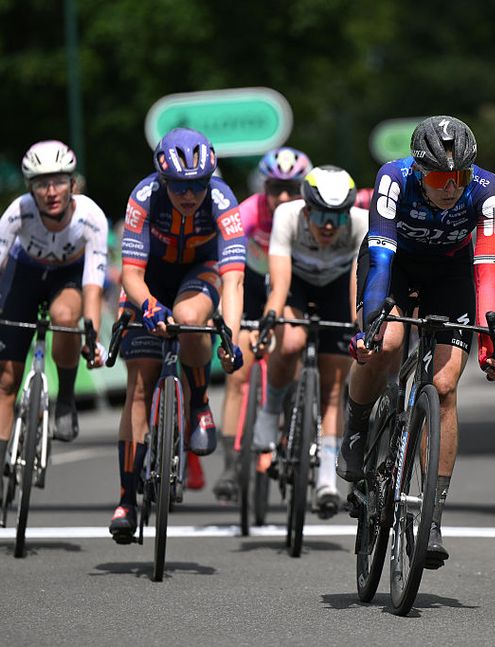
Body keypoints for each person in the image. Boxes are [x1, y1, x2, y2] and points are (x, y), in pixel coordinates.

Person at [342, 116, 495, 567]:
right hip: (393, 264)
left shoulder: (487, 189)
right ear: (419, 171)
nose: (450, 187)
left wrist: (491, 345)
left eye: (458, 177)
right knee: (391, 341)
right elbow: (379, 260)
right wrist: (370, 327)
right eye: (439, 177)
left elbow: (487, 274)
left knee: (446, 384)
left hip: (450, 274)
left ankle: (432, 518)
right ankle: (357, 428)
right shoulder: (393, 178)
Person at [109, 128, 245, 542]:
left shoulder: (222, 201)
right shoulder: (143, 197)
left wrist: (232, 341)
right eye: (180, 187)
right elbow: (130, 274)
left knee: (190, 317)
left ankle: (200, 403)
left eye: (198, 185)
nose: (190, 195)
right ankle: (126, 499)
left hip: (197, 275)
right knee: (139, 385)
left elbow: (234, 282)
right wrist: (147, 307)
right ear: (163, 180)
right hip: (147, 280)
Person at [0, 140, 109, 525]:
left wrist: (91, 333)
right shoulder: (18, 212)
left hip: (68, 279)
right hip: (23, 277)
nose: (51, 191)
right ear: (30, 187)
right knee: (5, 382)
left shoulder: (92, 218)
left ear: (72, 183)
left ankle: (64, 398)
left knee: (65, 316)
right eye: (41, 183)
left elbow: (94, 284)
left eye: (59, 181)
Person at [251, 165, 367, 517]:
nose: (329, 224)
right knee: (289, 343)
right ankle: (270, 412)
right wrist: (272, 317)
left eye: (337, 216)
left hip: (339, 285)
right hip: (296, 284)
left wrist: (358, 327)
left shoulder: (361, 224)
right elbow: (280, 280)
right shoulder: (287, 216)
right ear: (305, 209)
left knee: (334, 384)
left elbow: (358, 286)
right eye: (320, 214)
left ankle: (326, 478)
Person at [214, 146, 311, 502]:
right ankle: (230, 464)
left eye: (292, 188)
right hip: (253, 289)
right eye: (275, 188)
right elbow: (227, 266)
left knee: (290, 352)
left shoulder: (309, 214)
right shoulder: (248, 212)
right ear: (263, 188)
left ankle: (289, 428)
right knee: (238, 373)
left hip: (290, 290)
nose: (283, 197)